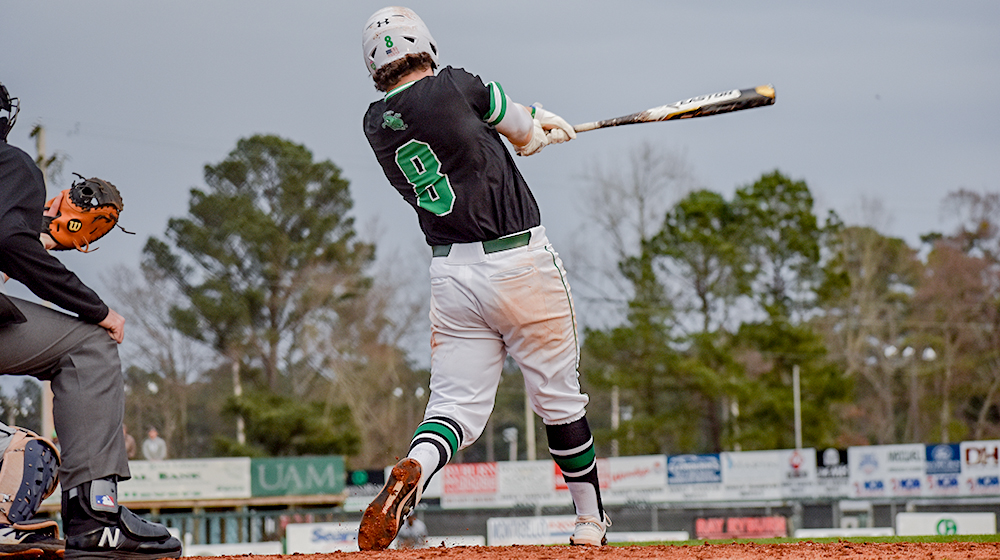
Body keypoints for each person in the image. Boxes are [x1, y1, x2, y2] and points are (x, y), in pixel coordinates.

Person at [357, 7, 609, 550]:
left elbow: (481, 135)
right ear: (425, 44)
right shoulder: (456, 83)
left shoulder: (376, 123)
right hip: (519, 264)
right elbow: (516, 128)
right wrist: (536, 130)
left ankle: (415, 467)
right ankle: (590, 523)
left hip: (452, 274)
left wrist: (530, 124)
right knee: (560, 402)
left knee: (451, 410)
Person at [0, 81, 182, 560]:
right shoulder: (11, 163)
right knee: (88, 348)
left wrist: (39, 233)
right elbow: (10, 244)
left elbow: (14, 242)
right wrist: (97, 310)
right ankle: (95, 519)